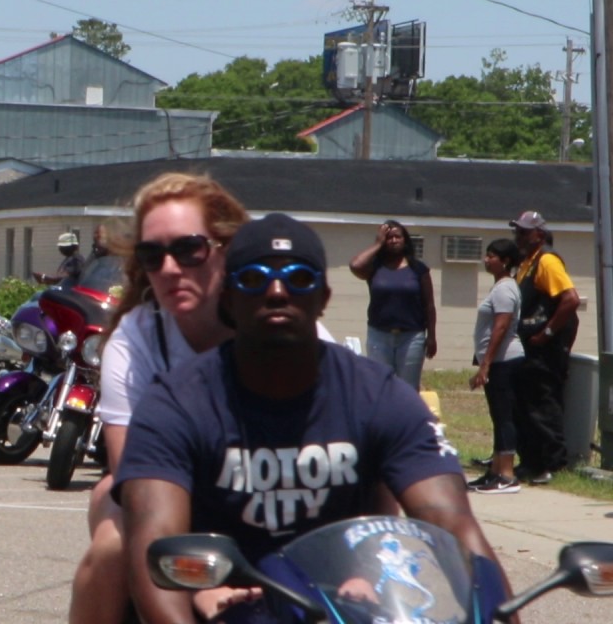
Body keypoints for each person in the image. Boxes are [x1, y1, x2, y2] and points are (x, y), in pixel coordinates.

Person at [116, 213, 510, 623]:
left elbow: (455, 526)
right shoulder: (175, 403)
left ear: (323, 296)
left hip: (347, 605)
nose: (276, 292)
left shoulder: (380, 396)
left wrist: (495, 612)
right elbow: (155, 549)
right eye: (253, 279)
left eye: (299, 278)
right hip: (219, 604)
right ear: (228, 300)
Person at [69, 172, 248, 624]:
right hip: (160, 491)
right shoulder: (137, 336)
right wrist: (203, 584)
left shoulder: (278, 320)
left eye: (189, 250)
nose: (170, 268)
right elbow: (132, 473)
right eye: (153, 255)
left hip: (260, 489)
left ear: (226, 249)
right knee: (110, 546)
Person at [510, 210, 580, 484]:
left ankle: (553, 463)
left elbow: (570, 299)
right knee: (524, 406)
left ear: (539, 234)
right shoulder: (526, 262)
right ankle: (530, 462)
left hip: (544, 352)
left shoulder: (547, 261)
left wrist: (547, 332)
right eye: (517, 231)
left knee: (543, 405)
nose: (519, 236)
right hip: (526, 348)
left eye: (524, 232)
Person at [466, 239, 526, 494]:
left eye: (492, 256)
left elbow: (501, 327)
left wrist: (486, 364)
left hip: (505, 361)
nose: (486, 260)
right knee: (497, 416)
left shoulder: (505, 289)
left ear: (506, 261)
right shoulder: (500, 287)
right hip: (498, 361)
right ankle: (495, 471)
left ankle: (507, 475)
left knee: (504, 417)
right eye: (487, 255)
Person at [348, 220, 436, 389]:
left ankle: (407, 416)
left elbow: (429, 306)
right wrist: (377, 243)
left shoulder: (418, 269)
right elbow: (355, 265)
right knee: (379, 386)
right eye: (389, 238)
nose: (394, 240)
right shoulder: (374, 268)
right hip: (379, 335)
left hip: (411, 337)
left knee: (408, 388)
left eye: (398, 237)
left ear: (405, 240)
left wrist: (431, 336)